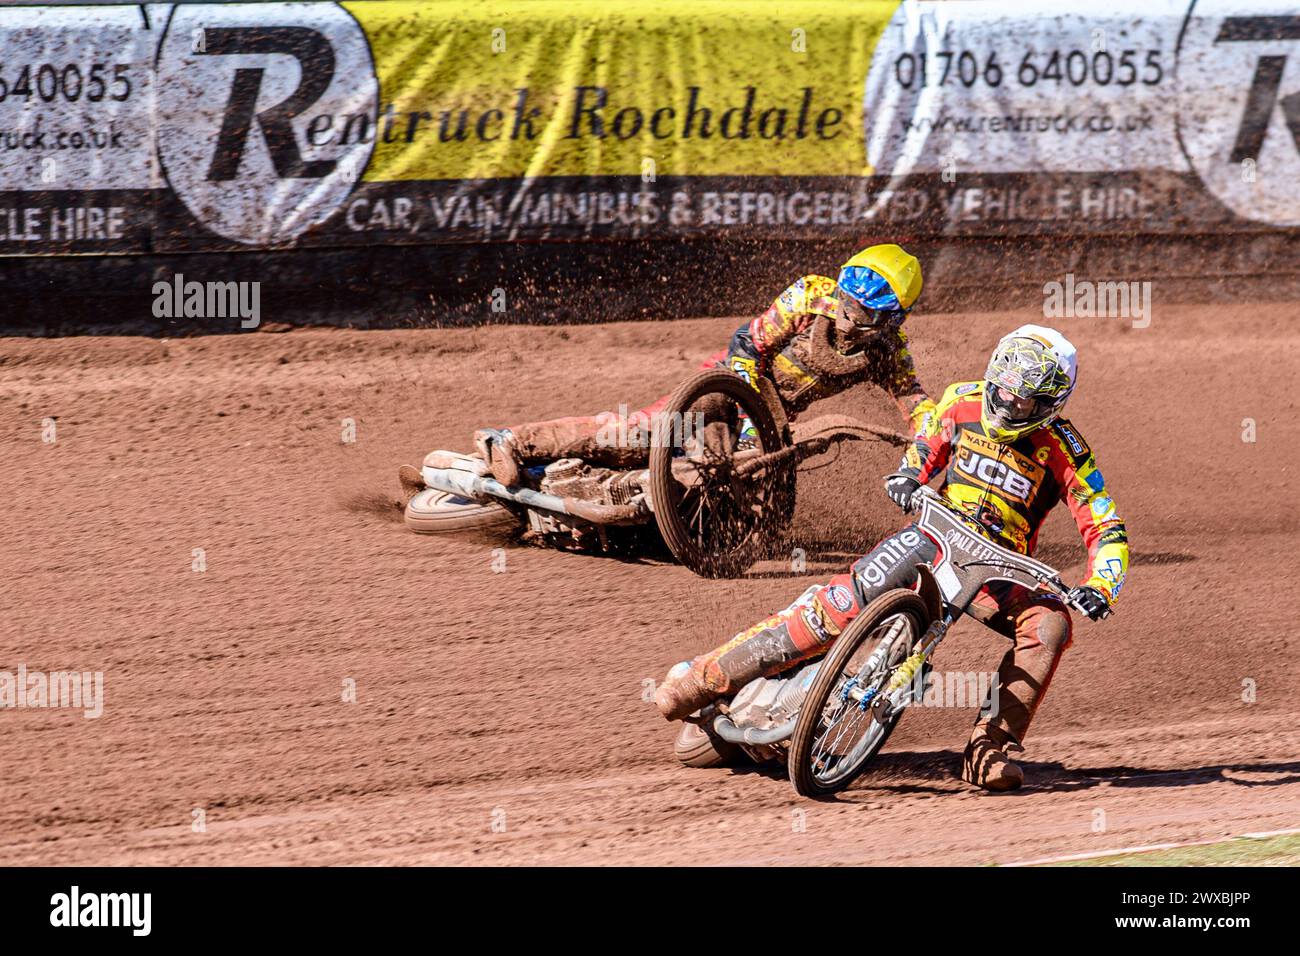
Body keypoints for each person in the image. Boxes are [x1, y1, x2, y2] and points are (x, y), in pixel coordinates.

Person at [654, 325, 1129, 791]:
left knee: (1050, 626)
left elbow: (1106, 526)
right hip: (932, 532)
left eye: (1023, 401)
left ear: (1051, 404)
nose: (1007, 404)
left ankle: (990, 748)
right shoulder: (963, 399)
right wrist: (910, 474)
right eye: (1003, 392)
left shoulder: (1068, 451)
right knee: (838, 606)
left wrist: (1100, 587)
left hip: (998, 567)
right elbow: (928, 442)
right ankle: (705, 677)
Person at [473, 244, 934, 485]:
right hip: (727, 385)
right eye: (847, 303)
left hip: (771, 418)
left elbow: (916, 407)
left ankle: (627, 497)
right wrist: (752, 417)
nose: (850, 318)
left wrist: (937, 445)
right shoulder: (813, 294)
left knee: (730, 478)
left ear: (892, 320)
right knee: (644, 433)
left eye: (865, 315)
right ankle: (510, 441)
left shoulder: (889, 353)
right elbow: (748, 346)